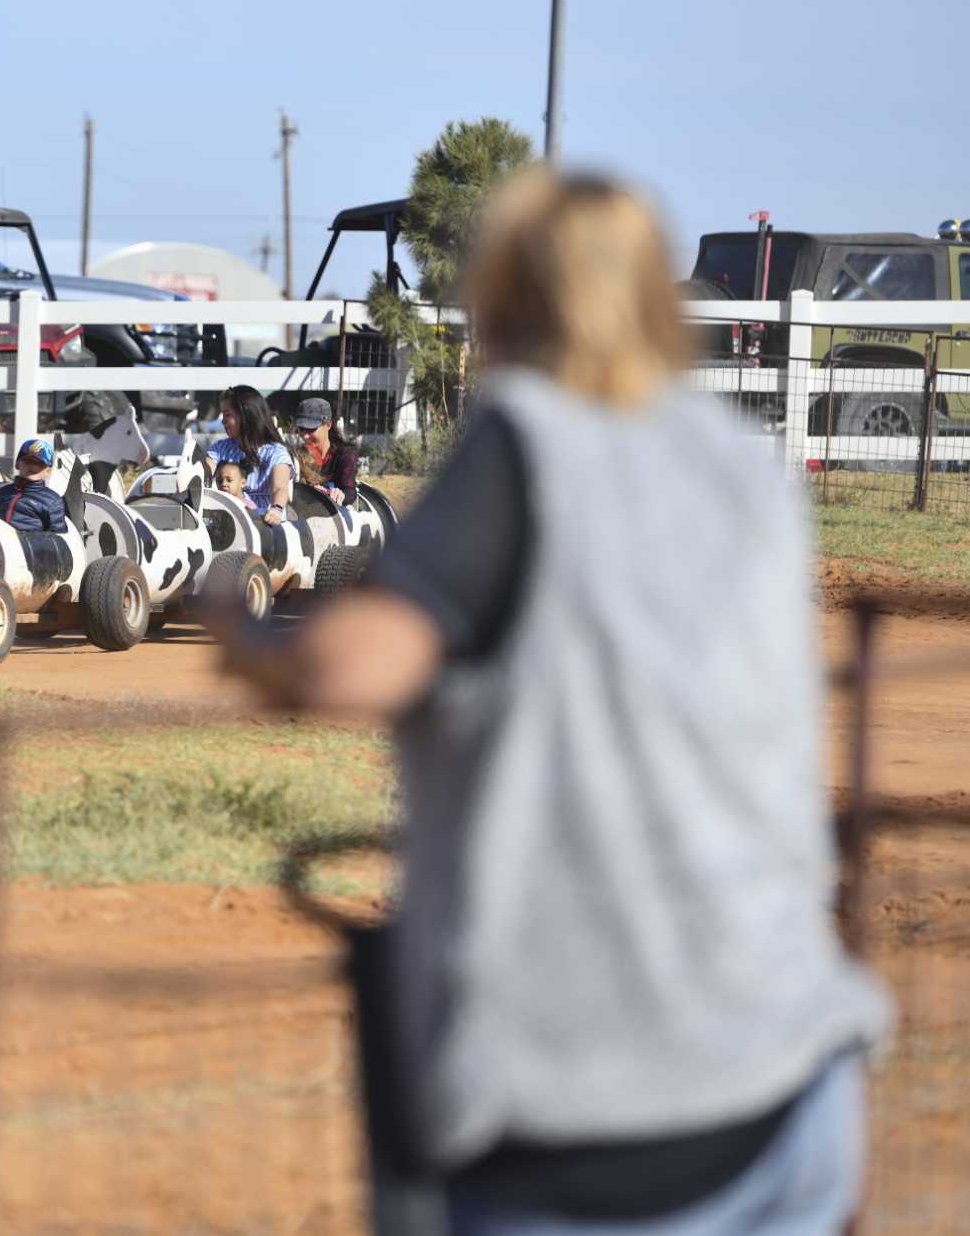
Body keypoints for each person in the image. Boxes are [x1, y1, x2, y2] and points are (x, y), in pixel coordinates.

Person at [211, 170, 888, 1234]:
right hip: (791, 1067)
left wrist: (243, 639)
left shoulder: (527, 440)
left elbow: (350, 669)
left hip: (599, 1105)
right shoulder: (743, 463)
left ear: (503, 300)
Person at [208, 384, 293, 525]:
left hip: (265, 524)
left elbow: (280, 488)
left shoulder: (276, 452)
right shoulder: (220, 449)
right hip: (229, 522)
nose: (223, 421)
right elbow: (202, 473)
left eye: (227, 415)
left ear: (245, 415)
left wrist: (276, 509)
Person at [292, 397, 359, 510]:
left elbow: (350, 492)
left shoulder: (344, 456)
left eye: (311, 429)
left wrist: (339, 494)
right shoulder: (295, 457)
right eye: (301, 429)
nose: (304, 435)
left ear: (328, 425)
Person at [0, 438, 67, 532]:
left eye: (39, 464)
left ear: (48, 471)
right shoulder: (2, 493)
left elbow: (58, 538)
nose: (33, 466)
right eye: (28, 461)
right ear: (18, 464)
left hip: (30, 546)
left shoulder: (52, 500)